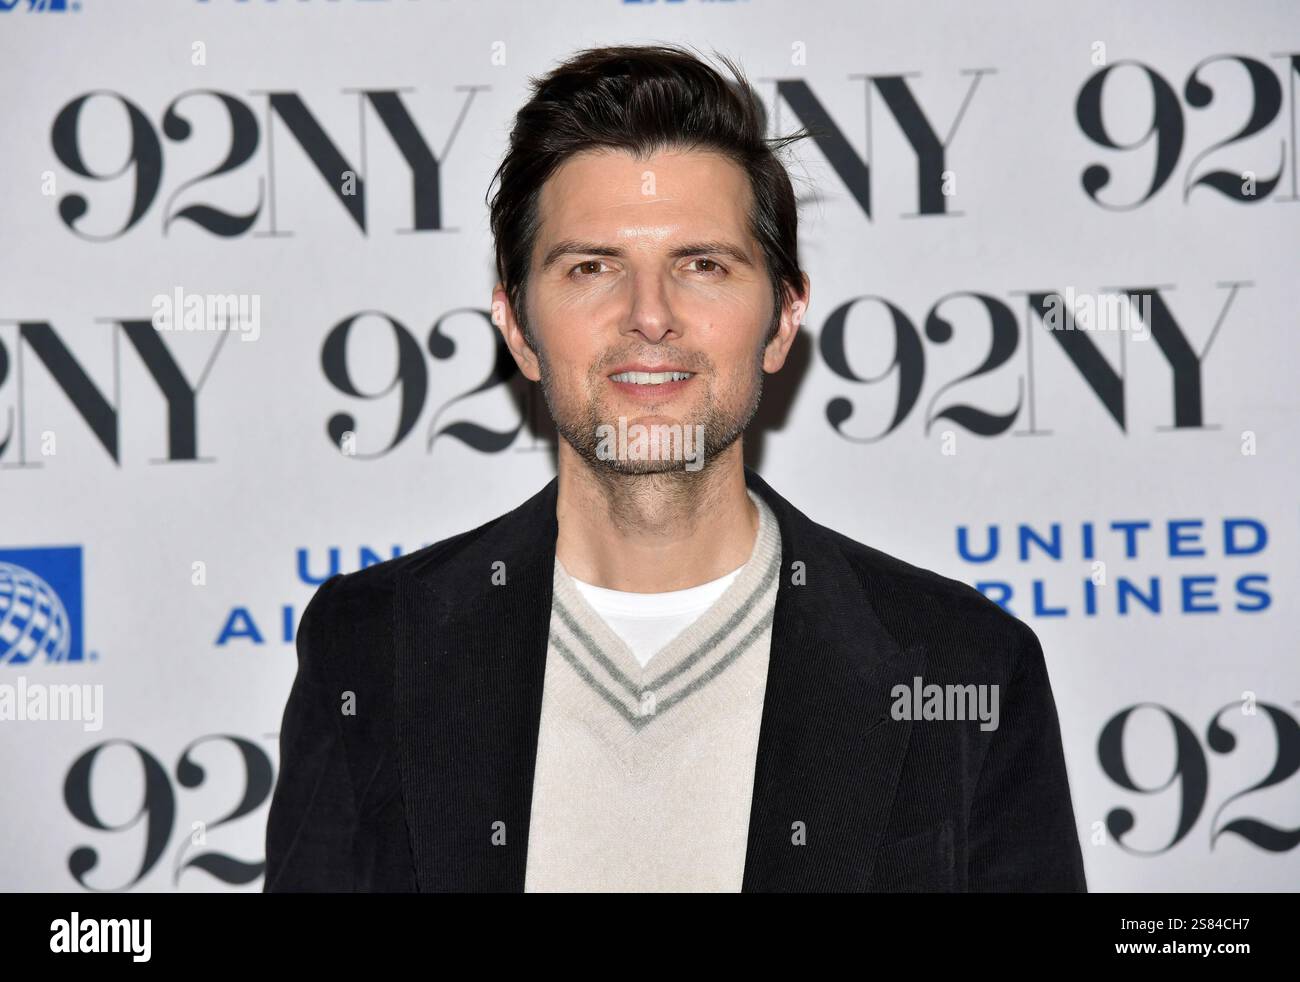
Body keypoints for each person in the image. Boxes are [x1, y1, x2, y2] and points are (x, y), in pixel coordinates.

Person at [264, 42, 1087, 893]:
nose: (649, 316)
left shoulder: (962, 670)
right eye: (591, 268)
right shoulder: (369, 652)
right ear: (516, 327)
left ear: (781, 319)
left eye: (702, 266)